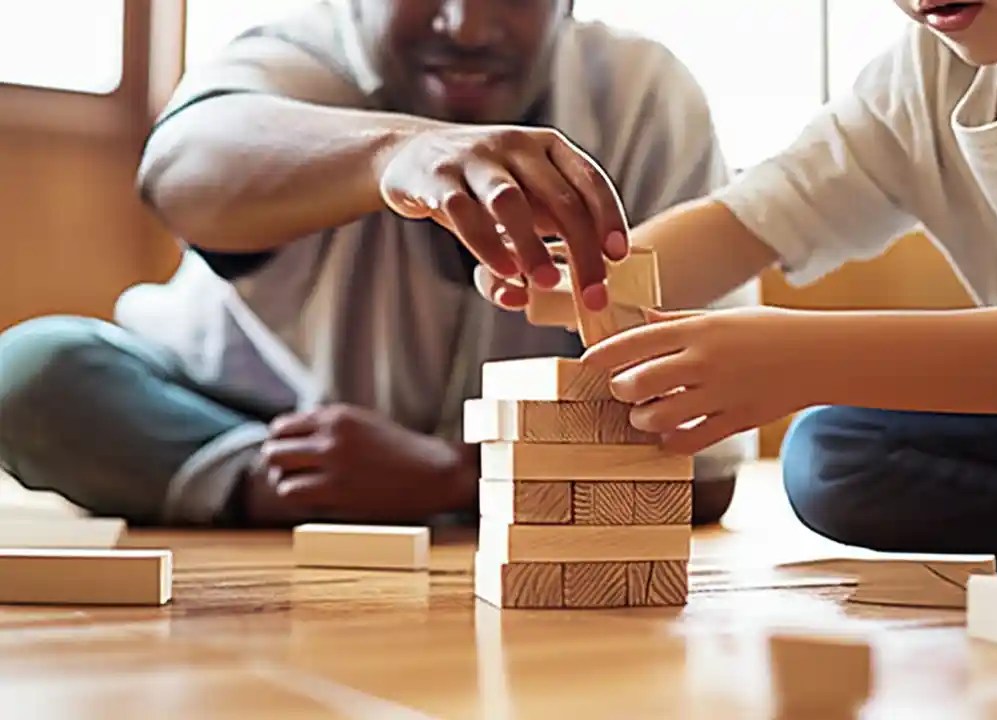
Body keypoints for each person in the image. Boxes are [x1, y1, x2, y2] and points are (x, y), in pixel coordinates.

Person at [469, 0, 997, 587]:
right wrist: (571, 273)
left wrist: (800, 354)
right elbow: (762, 212)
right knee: (831, 455)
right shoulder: (928, 66)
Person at [0, 0, 756, 528]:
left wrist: (453, 473)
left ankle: (357, 491)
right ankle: (279, 486)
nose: (466, 23)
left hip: (499, 457)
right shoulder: (296, 52)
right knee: (32, 372)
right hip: (236, 421)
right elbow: (177, 171)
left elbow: (708, 464)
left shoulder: (646, 95)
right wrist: (398, 151)